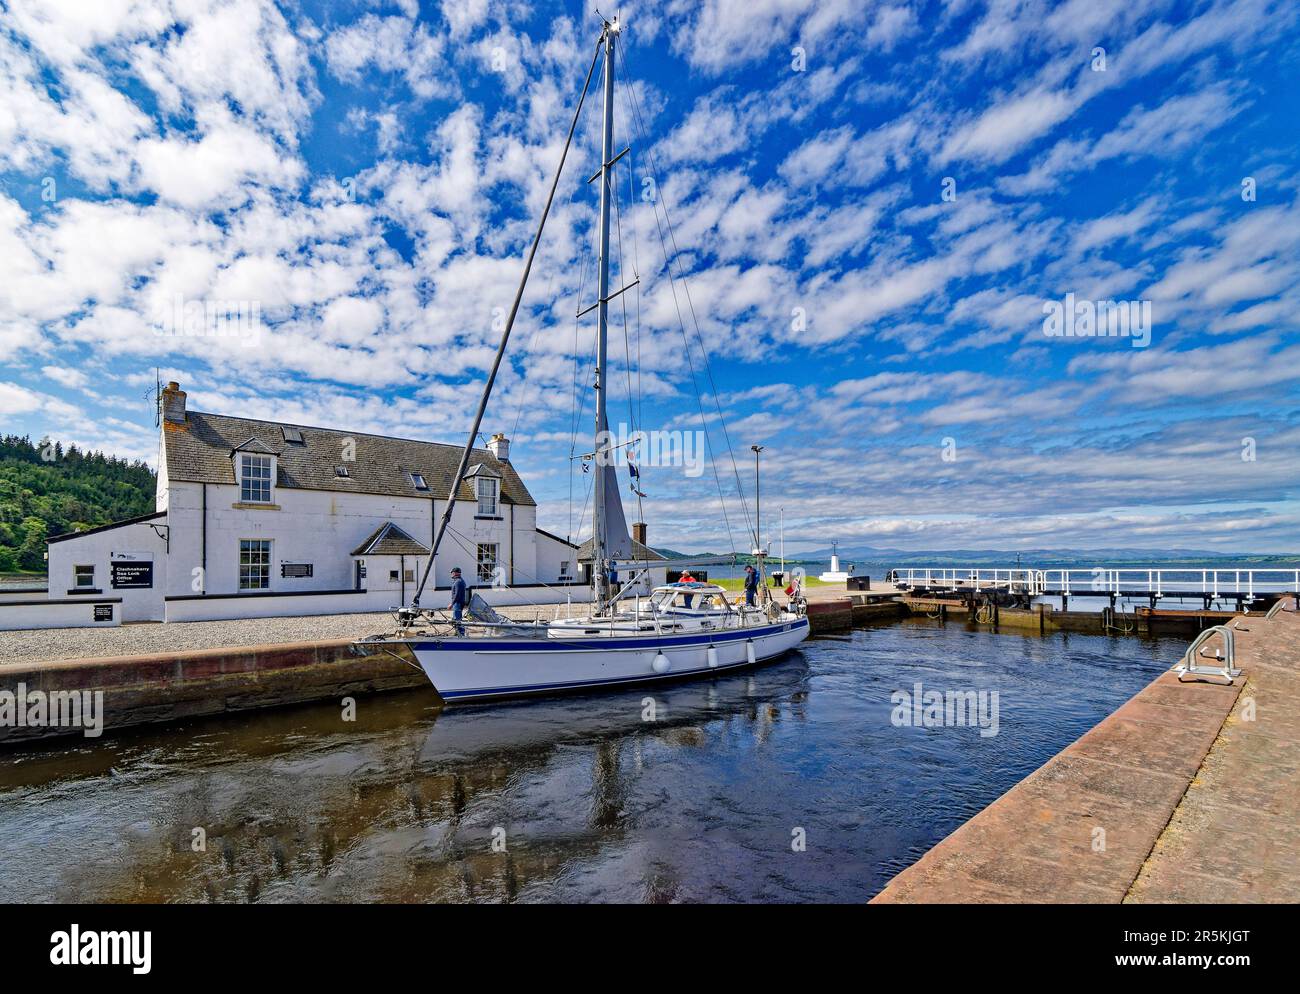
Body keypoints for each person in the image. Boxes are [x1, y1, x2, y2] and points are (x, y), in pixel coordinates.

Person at [448, 566, 468, 635]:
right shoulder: (459, 581)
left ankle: (461, 633)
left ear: (455, 573)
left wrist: (452, 604)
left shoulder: (458, 582)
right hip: (459, 603)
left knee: (457, 619)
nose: (451, 574)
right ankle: (458, 632)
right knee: (456, 619)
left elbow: (457, 594)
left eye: (452, 573)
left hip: (457, 603)